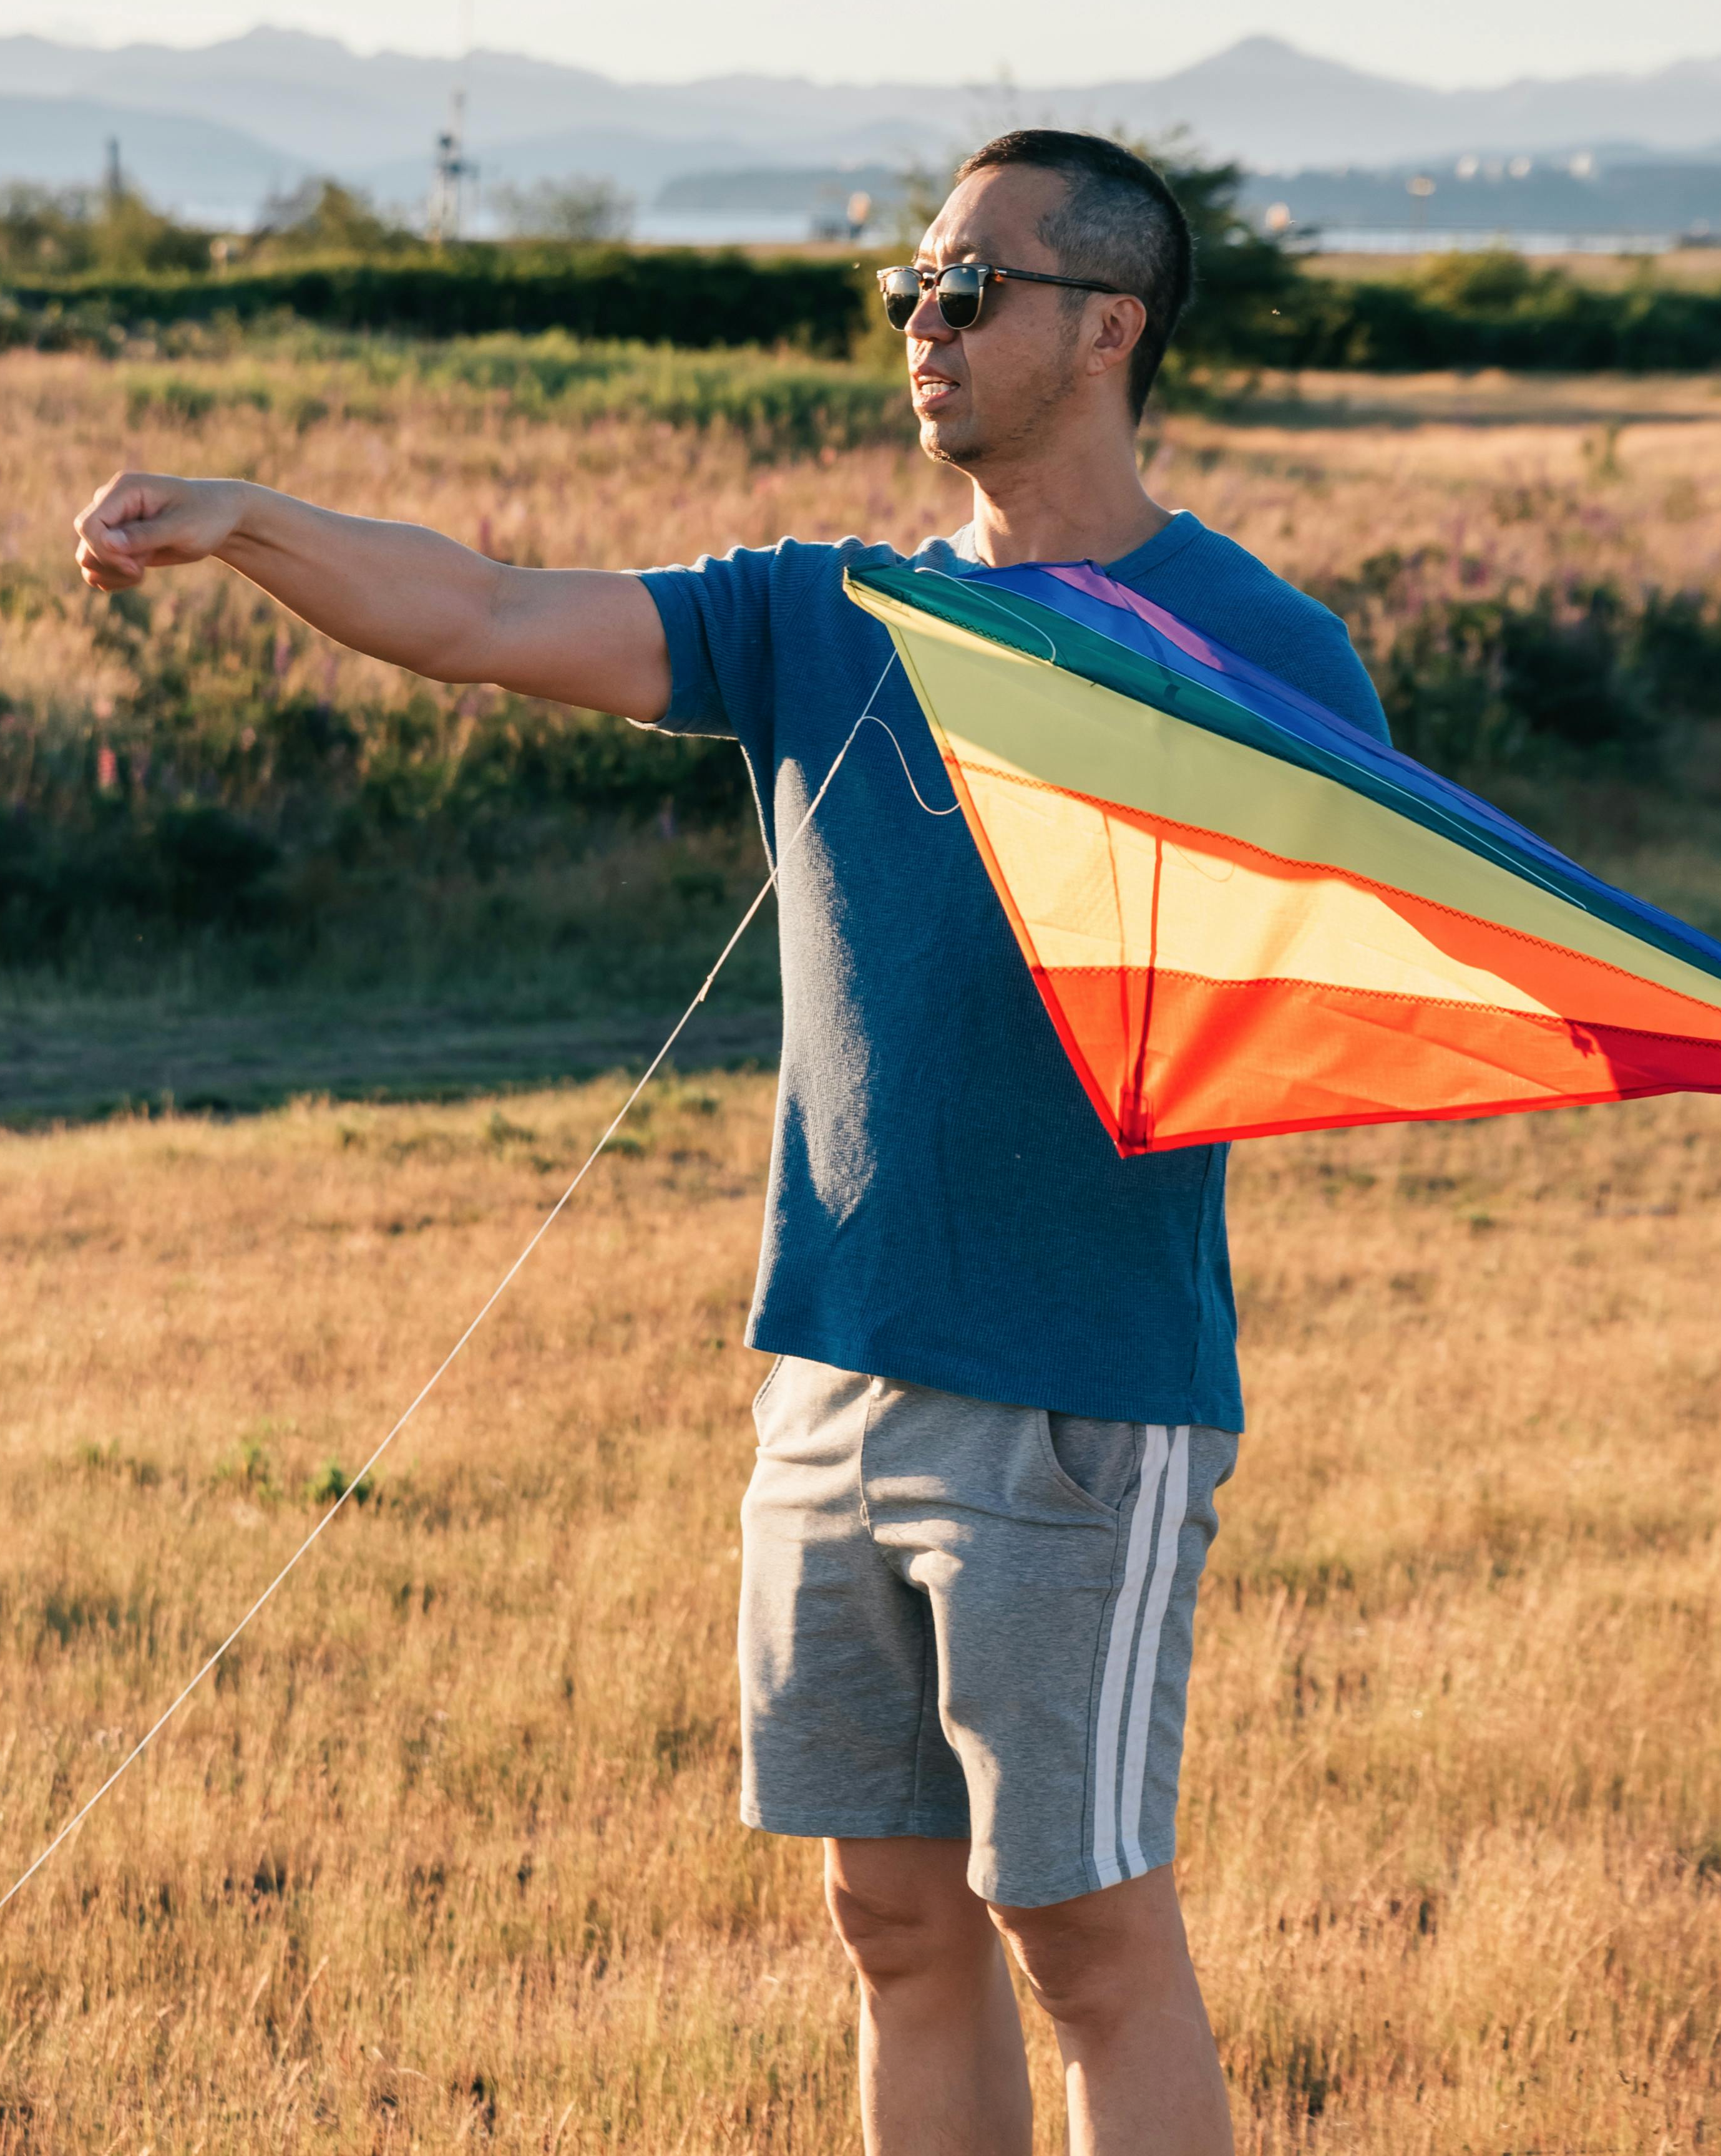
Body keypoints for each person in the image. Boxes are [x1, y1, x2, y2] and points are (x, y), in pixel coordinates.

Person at [72, 129, 1388, 2156]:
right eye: (913, 290)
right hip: (831, 1379)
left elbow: (1357, 970)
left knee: (1088, 1935)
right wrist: (249, 519)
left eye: (973, 289)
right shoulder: (822, 615)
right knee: (888, 1916)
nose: (924, 326)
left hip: (1078, 1396)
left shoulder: (1258, 647)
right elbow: (491, 611)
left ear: (1109, 326)